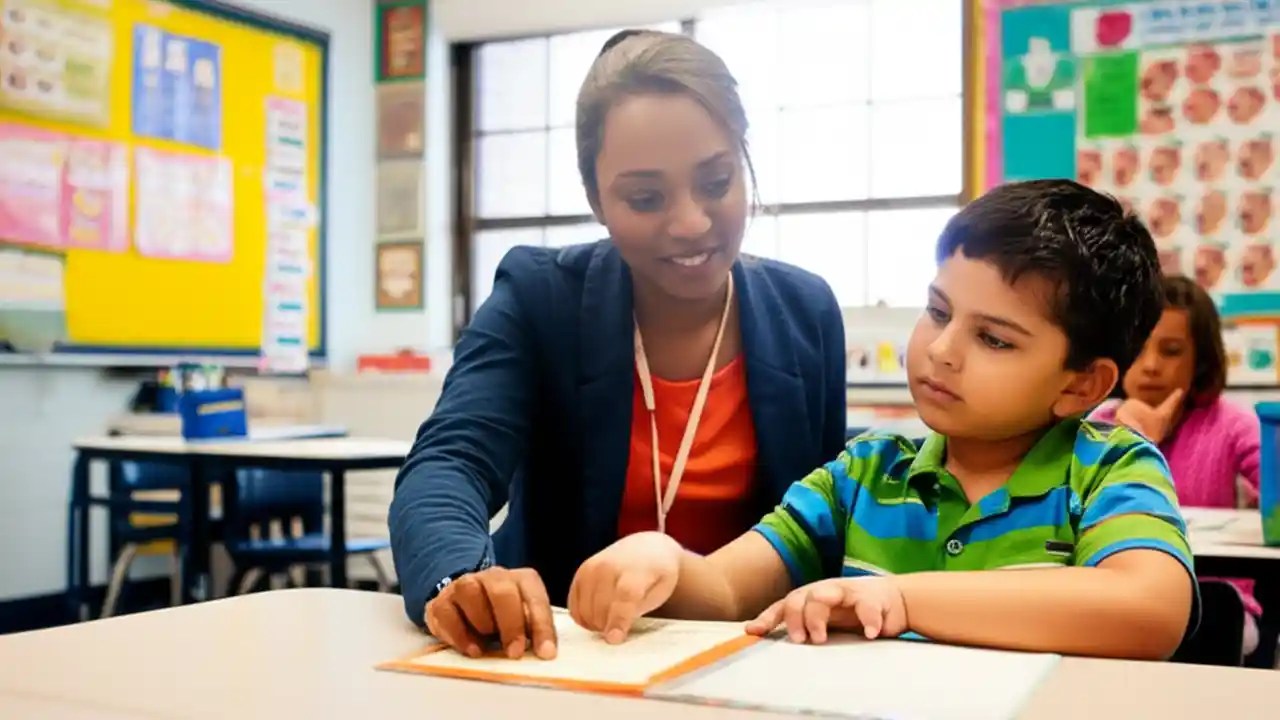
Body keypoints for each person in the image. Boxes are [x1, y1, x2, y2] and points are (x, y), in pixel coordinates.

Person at [568, 180, 1198, 661]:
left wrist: (902, 597)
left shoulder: (1108, 468)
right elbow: (729, 592)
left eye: (995, 340)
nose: (943, 349)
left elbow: (1149, 609)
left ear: (1082, 383)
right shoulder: (864, 473)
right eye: (939, 310)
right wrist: (664, 563)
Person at [389, 29, 847, 659]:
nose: (690, 222)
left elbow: (824, 516)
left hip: (747, 657)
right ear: (595, 199)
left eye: (716, 182)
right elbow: (451, 462)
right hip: (559, 653)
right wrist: (460, 577)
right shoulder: (539, 297)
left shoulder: (806, 312)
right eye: (644, 198)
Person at [1091, 274, 1262, 658]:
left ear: (1200, 360)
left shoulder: (1229, 423)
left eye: (1170, 351)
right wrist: (1134, 435)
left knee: (1210, 616)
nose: (1151, 365)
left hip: (1214, 597)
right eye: (1138, 349)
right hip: (1122, 594)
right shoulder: (1099, 423)